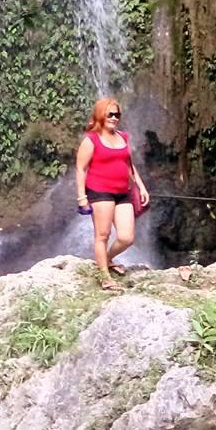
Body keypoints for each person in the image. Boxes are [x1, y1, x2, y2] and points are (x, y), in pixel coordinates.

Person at [74, 97, 150, 291]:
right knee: (103, 234)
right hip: (99, 192)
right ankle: (104, 277)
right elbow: (81, 169)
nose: (114, 118)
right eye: (110, 114)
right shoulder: (91, 140)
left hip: (122, 192)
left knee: (126, 237)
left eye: (117, 114)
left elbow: (129, 165)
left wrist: (141, 186)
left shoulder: (122, 137)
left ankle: (105, 259)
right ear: (100, 114)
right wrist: (82, 197)